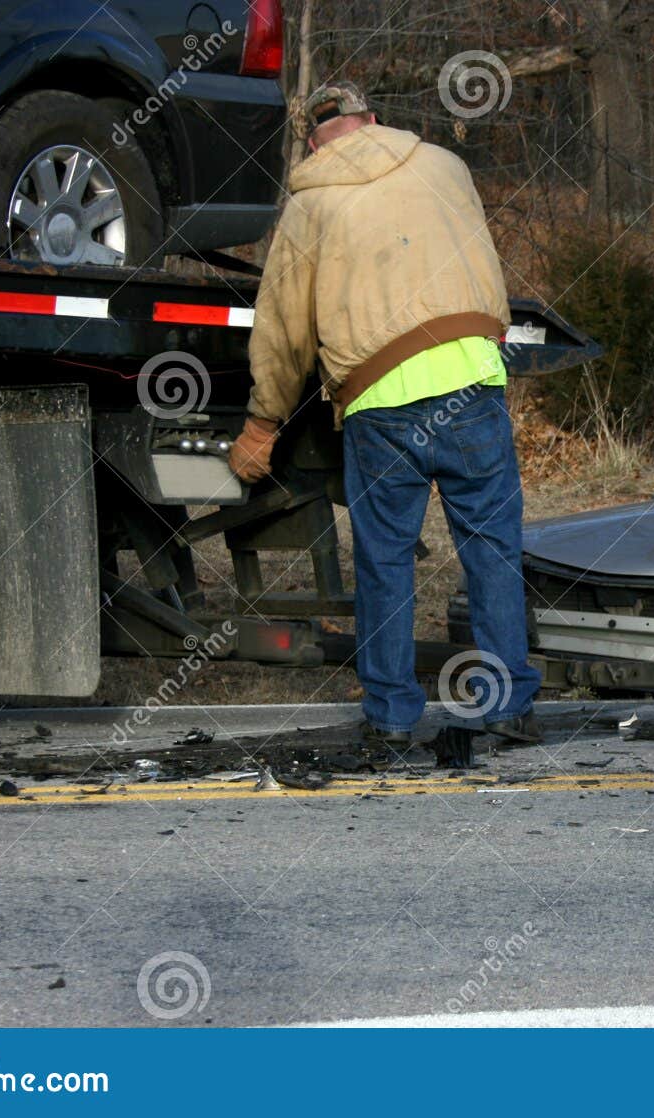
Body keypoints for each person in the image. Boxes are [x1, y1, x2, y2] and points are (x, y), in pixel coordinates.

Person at [229, 82, 542, 751]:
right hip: (472, 379)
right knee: (491, 549)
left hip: (381, 397)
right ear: (373, 118)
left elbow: (283, 329)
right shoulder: (445, 166)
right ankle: (508, 706)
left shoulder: (311, 205)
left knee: (385, 562)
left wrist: (262, 423)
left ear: (314, 141)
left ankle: (394, 717)